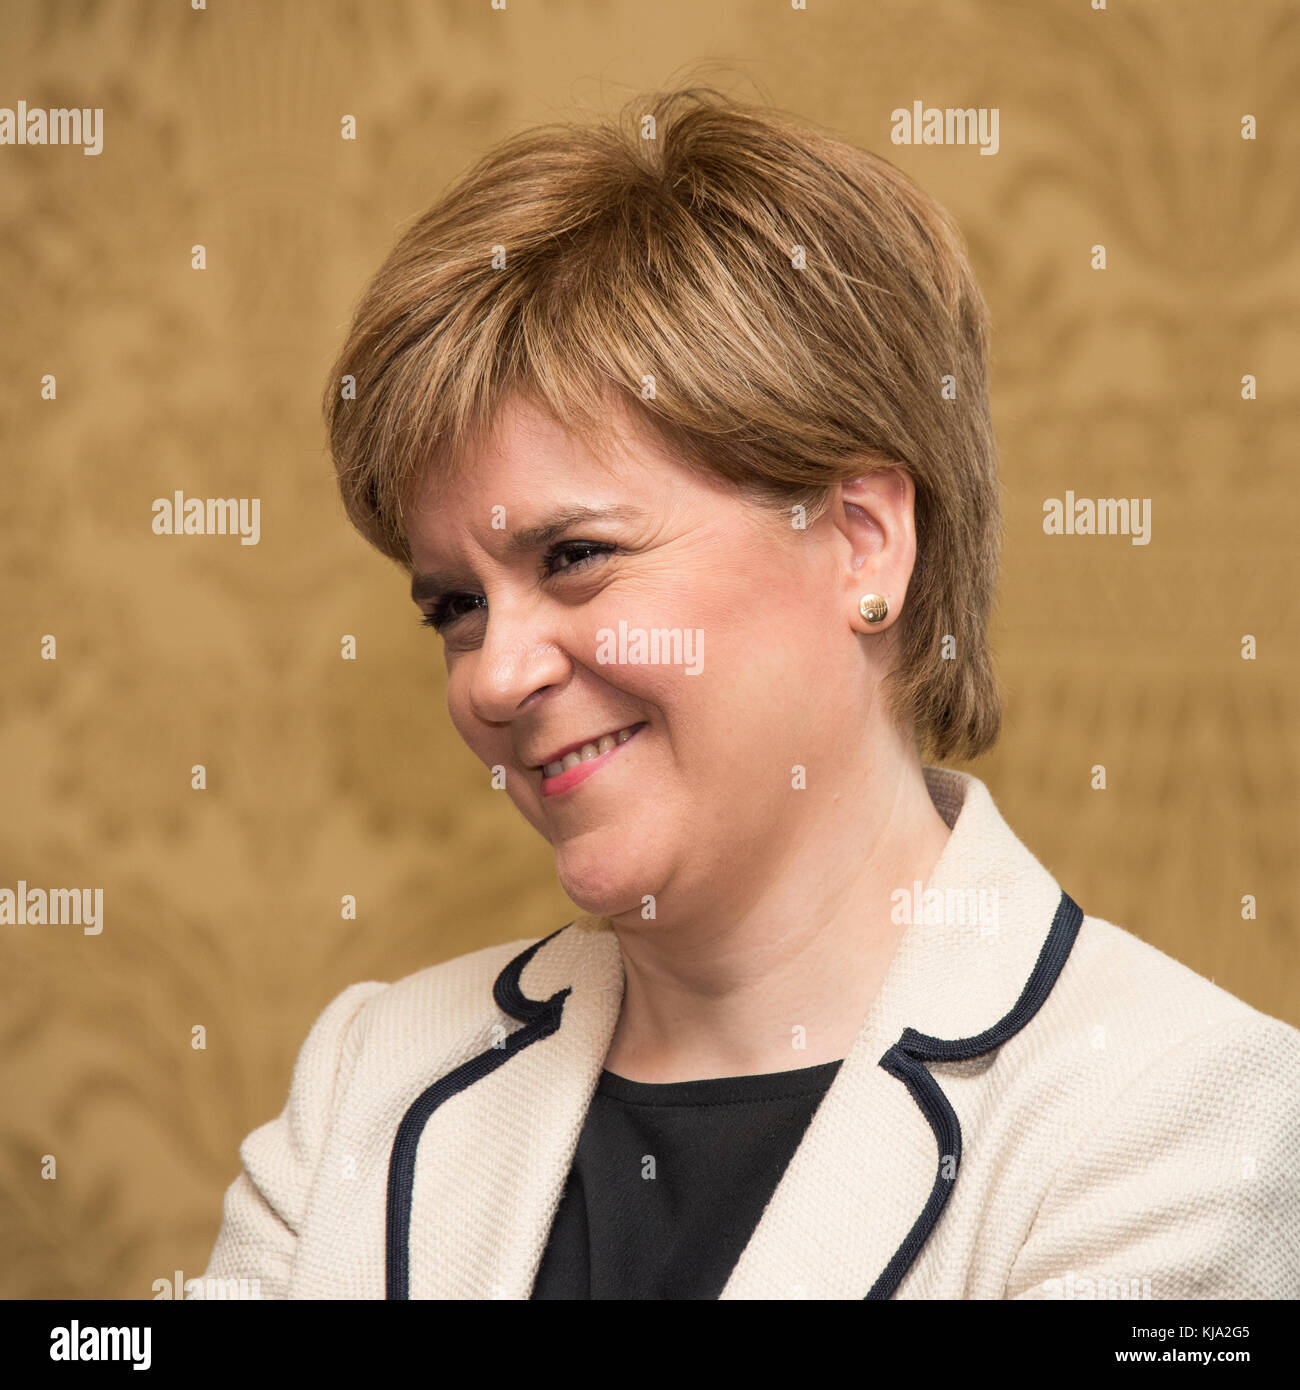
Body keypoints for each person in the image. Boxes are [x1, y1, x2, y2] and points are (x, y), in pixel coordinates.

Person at [203, 87, 1300, 1299]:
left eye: (575, 556)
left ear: (862, 543)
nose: (496, 677)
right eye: (454, 605)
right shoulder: (375, 1072)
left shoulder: (1181, 1115)